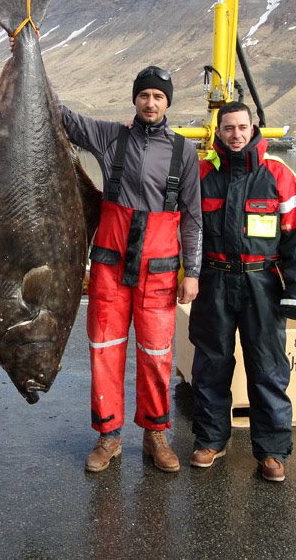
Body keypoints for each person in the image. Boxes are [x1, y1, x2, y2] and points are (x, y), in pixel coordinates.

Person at [59, 66, 203, 473]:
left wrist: (190, 272)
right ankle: (108, 437)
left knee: (157, 355)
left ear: (168, 103)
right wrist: (26, 50)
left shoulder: (183, 151)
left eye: (159, 96)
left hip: (158, 271)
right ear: (135, 99)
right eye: (145, 95)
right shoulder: (109, 136)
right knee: (104, 350)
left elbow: (192, 217)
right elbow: (63, 118)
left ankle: (155, 434)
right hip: (109, 265)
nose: (151, 102)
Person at [188, 100, 296, 482]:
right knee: (211, 365)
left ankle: (272, 451)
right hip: (214, 282)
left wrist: (295, 295)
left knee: (268, 368)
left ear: (253, 127)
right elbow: (186, 232)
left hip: (263, 286)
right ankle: (211, 440)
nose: (236, 134)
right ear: (219, 131)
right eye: (228, 128)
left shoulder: (279, 175)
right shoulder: (202, 174)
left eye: (242, 127)